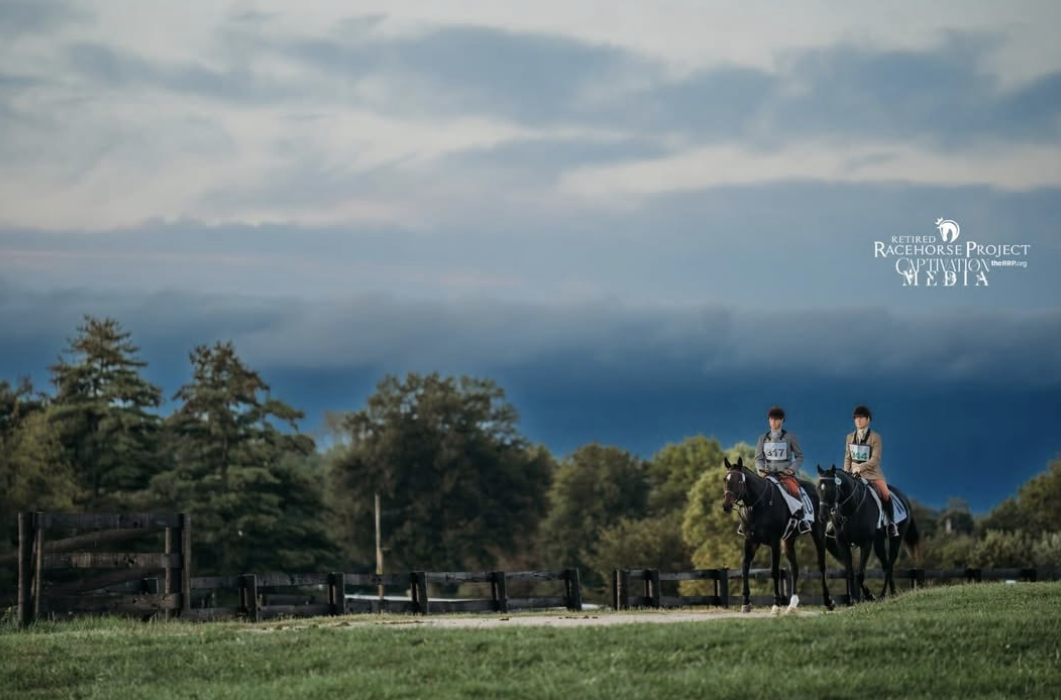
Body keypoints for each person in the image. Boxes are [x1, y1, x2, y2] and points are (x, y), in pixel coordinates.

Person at [753, 405, 812, 534]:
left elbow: (799, 456)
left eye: (776, 419)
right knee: (753, 492)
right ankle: (749, 521)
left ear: (781, 421)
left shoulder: (790, 437)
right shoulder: (762, 438)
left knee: (795, 490)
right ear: (769, 420)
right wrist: (761, 470)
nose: (773, 422)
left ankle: (802, 519)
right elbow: (758, 458)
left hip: (785, 475)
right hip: (767, 474)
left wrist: (791, 469)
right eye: (771, 419)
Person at [843, 405, 899, 536]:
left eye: (861, 418)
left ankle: (891, 523)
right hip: (853, 475)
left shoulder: (875, 437)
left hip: (872, 474)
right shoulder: (849, 437)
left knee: (885, 494)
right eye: (856, 418)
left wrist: (860, 467)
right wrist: (846, 473)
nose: (858, 420)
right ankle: (835, 523)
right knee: (839, 491)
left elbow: (875, 460)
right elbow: (847, 457)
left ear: (868, 420)